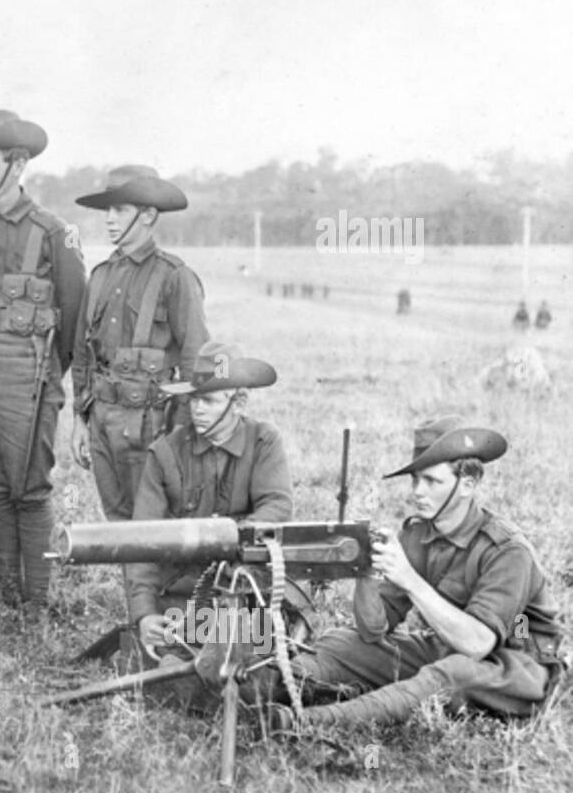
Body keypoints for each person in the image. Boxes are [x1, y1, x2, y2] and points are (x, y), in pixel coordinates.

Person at [270, 416, 564, 729]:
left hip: (517, 666)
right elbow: (372, 631)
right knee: (339, 643)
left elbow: (478, 644)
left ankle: (308, 721)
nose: (416, 492)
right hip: (448, 648)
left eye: (431, 481)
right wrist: (367, 574)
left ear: (468, 485)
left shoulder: (507, 550)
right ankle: (265, 684)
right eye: (415, 480)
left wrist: (409, 579)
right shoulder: (419, 534)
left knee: (447, 676)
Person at [0, 110, 85, 609]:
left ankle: (38, 603)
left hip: (28, 370)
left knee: (29, 487)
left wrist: (46, 376)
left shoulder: (54, 232)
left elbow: (74, 317)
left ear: (19, 163)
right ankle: (8, 597)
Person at [120, 342, 293, 669]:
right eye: (193, 399)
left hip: (248, 594)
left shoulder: (264, 442)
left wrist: (227, 538)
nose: (197, 409)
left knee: (257, 662)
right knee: (172, 668)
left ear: (239, 403)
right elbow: (140, 541)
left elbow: (278, 506)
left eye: (209, 400)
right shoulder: (165, 454)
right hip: (184, 599)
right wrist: (144, 614)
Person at [70, 166, 209, 521]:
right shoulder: (100, 276)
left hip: (151, 426)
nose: (110, 220)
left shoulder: (174, 277)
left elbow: (198, 362)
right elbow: (83, 356)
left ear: (148, 215)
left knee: (153, 530)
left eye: (120, 210)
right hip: (102, 422)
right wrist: (80, 421)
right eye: (108, 211)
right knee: (119, 530)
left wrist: (184, 436)